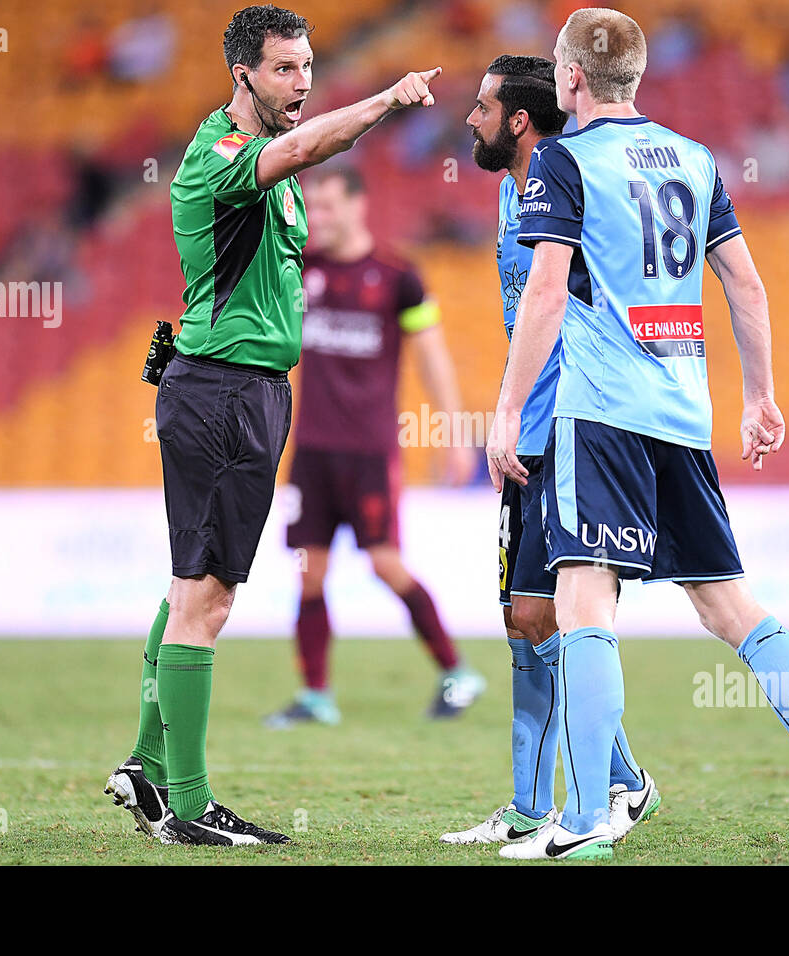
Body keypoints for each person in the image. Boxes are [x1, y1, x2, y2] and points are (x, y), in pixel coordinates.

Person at [485, 8, 789, 861]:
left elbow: (548, 296)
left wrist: (507, 411)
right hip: (684, 414)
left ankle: (593, 816)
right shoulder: (695, 158)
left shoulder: (562, 159)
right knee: (733, 608)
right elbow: (745, 284)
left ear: (570, 80)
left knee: (583, 602)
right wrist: (762, 397)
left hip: (598, 415)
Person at [104, 3, 445, 848]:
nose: (300, 82)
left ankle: (146, 767)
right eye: (285, 69)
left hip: (246, 394)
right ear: (243, 75)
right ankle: (187, 803)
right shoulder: (224, 158)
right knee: (209, 598)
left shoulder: (277, 182)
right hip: (222, 394)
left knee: (193, 587)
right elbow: (304, 147)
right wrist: (384, 104)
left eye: (307, 66)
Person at [439, 55, 658, 848]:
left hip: (577, 427)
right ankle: (588, 790)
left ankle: (582, 796)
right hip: (526, 430)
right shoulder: (509, 193)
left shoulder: (576, 185)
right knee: (521, 619)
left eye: (483, 106)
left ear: (520, 120)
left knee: (543, 615)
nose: (470, 118)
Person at [264, 165, 484, 727]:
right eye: (315, 206)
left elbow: (432, 357)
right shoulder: (301, 269)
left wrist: (454, 432)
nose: (321, 217)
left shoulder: (397, 275)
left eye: (331, 205)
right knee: (308, 572)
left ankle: (456, 670)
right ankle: (316, 695)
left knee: (386, 564)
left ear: (358, 205)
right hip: (311, 450)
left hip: (369, 452)